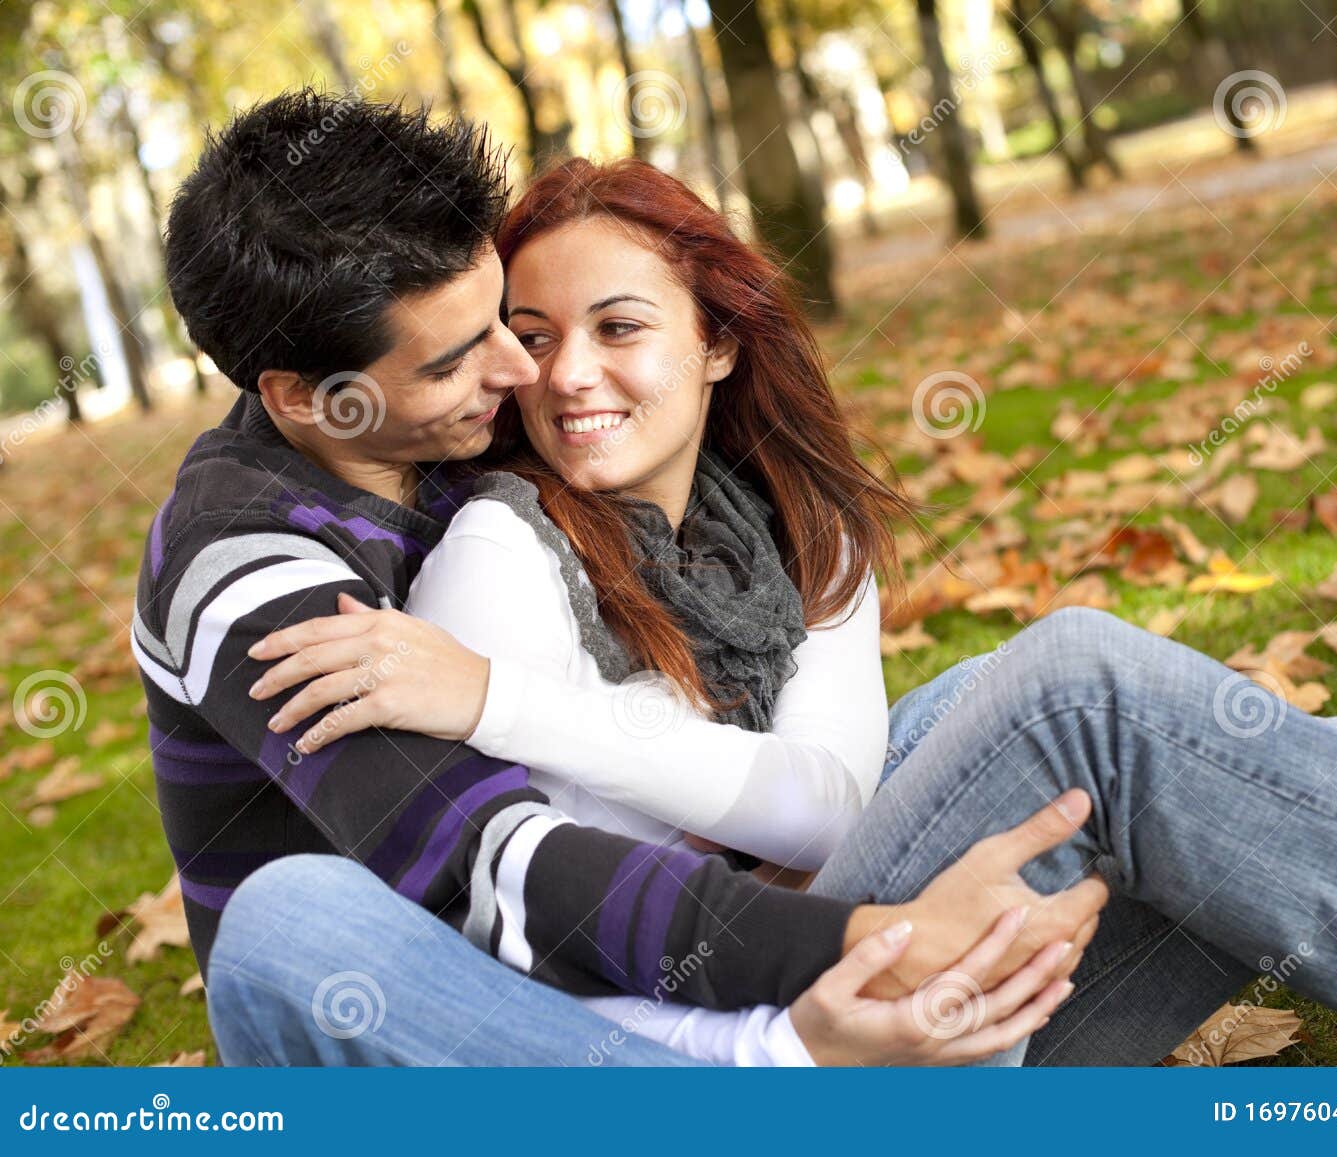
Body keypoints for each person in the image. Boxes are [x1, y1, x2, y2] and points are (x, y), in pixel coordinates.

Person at [236, 151, 1337, 1066]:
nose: (568, 374)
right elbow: (566, 947)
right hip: (737, 1041)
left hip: (895, 994)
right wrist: (508, 703)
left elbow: (829, 801)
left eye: (619, 327)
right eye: (532, 337)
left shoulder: (794, 526)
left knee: (1249, 762)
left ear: (718, 339)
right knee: (1077, 698)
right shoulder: (498, 550)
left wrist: (538, 720)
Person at [137, 90, 1102, 1068]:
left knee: (1015, 701)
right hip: (428, 1024)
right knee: (292, 917)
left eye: (499, 316)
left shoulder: (454, 430)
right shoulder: (246, 574)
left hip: (630, 979)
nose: (525, 371)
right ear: (308, 400)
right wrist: (852, 954)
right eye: (461, 354)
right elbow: (488, 867)